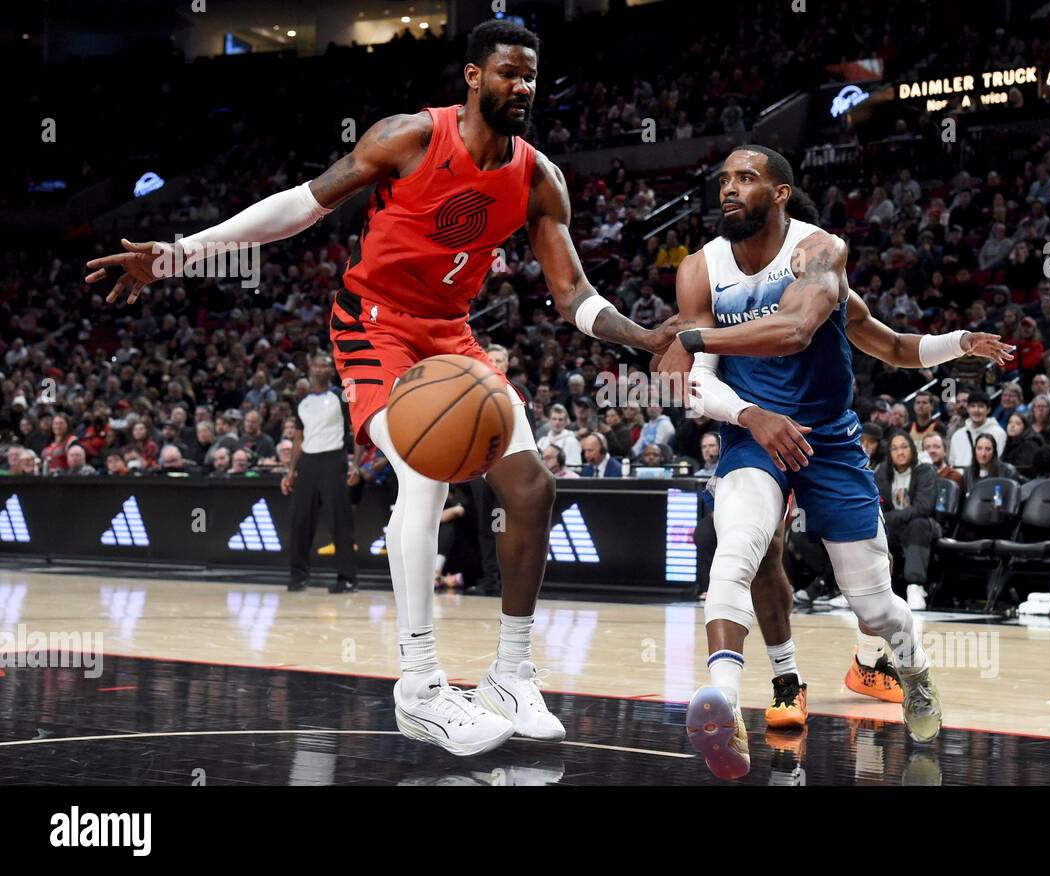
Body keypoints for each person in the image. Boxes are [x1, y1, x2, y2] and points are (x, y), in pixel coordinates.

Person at [86, 20, 677, 757]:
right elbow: (302, 204)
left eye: (529, 75)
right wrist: (180, 254)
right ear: (472, 76)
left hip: (451, 337)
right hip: (376, 325)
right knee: (425, 472)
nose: (520, 86)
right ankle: (422, 688)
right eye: (506, 73)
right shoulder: (409, 138)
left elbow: (573, 295)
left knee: (530, 490)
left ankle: (512, 674)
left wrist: (645, 336)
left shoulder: (537, 177)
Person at [656, 143, 1011, 778]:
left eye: (747, 178)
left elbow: (885, 345)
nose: (729, 189)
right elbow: (697, 383)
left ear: (782, 193)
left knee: (873, 606)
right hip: (752, 435)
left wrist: (958, 342)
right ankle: (723, 704)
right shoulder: (700, 268)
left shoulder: (820, 253)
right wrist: (750, 416)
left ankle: (914, 670)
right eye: (724, 179)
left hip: (829, 441)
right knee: (735, 550)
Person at [281, 354, 357, 594]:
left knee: (339, 520)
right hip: (308, 463)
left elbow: (355, 428)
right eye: (316, 364)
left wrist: (355, 463)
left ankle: (347, 578)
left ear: (331, 369)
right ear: (309, 369)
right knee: (299, 520)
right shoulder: (301, 401)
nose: (320, 368)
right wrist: (291, 471)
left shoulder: (341, 395)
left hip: (334, 459)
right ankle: (298, 576)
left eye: (325, 364)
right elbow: (298, 438)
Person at [875, 432, 942, 610]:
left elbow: (924, 507)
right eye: (895, 448)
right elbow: (877, 505)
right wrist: (885, 519)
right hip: (893, 527)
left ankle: (915, 587)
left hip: (922, 526)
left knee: (917, 524)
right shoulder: (882, 471)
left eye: (904, 447)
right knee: (870, 527)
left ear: (913, 448)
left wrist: (890, 518)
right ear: (889, 453)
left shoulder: (925, 469)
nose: (900, 452)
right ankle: (864, 589)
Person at [948, 390, 1007, 470]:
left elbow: (1000, 463)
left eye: (981, 406)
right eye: (972, 406)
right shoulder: (958, 435)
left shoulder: (998, 433)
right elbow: (952, 463)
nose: (976, 410)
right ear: (968, 409)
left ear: (988, 409)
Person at [536, 404, 582, 473]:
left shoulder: (571, 441)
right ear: (549, 420)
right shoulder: (542, 441)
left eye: (560, 420)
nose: (557, 422)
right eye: (554, 419)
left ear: (566, 422)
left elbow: (576, 469)